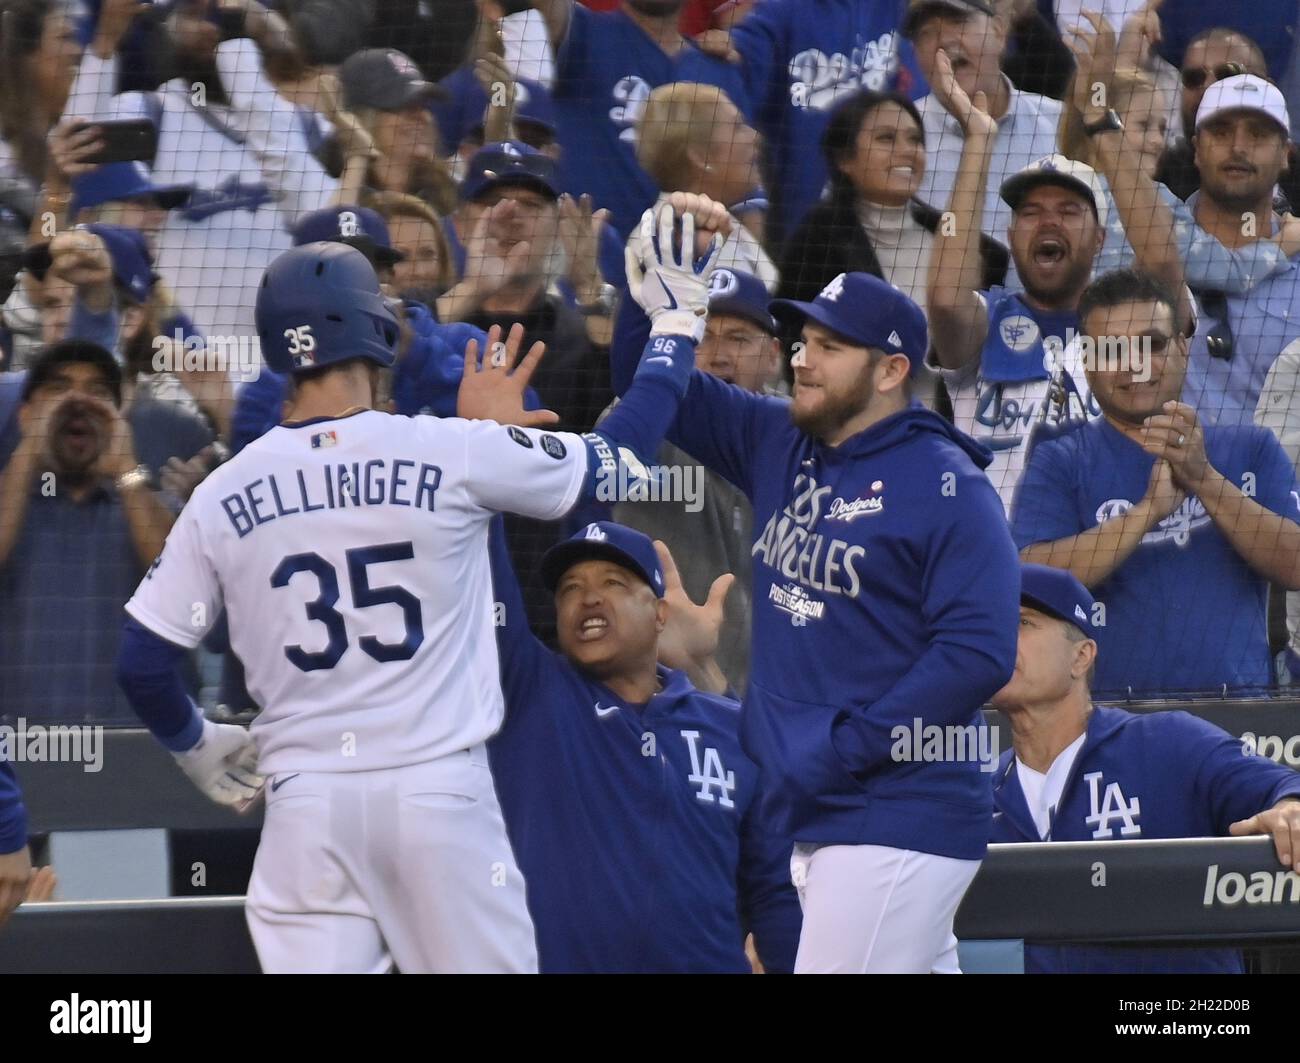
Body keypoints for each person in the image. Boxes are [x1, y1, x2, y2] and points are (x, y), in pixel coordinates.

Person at [115, 201, 732, 973]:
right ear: (371, 329)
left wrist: (196, 745)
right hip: (439, 800)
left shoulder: (222, 493)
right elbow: (621, 460)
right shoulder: (447, 450)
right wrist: (674, 331)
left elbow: (141, 661)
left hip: (306, 812)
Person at [611, 261, 1021, 973]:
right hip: (825, 812)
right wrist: (653, 302)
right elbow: (648, 386)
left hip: (894, 818)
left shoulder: (949, 485)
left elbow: (979, 653)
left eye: (830, 347)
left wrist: (843, 748)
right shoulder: (778, 438)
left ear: (891, 370)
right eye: (802, 342)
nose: (802, 360)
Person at [487, 518, 800, 972]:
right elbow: (483, 567)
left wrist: (699, 664)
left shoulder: (732, 727)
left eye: (613, 582)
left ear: (659, 614)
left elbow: (775, 889)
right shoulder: (528, 692)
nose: (588, 597)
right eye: (569, 588)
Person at [926, 30, 1196, 510]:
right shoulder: (985, 323)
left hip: (1116, 554)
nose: (1048, 219)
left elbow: (1161, 258)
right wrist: (979, 140)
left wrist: (1100, 123)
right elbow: (946, 296)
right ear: (1010, 238)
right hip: (1002, 568)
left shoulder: (1135, 319)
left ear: (1099, 238)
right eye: (1030, 213)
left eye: (1069, 210)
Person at [991, 562, 1300, 973]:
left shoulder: (1167, 742)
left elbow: (1281, 787)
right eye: (988, 623)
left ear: (1081, 657)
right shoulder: (974, 791)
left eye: (1022, 623)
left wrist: (1291, 807)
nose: (994, 638)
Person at [1013, 269, 1300, 697]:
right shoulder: (1061, 459)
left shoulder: (1251, 447)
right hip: (1109, 725)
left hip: (1240, 725)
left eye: (1152, 343)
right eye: (1112, 350)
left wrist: (1204, 478)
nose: (1135, 364)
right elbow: (1030, 582)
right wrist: (1147, 512)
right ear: (1088, 364)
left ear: (1184, 349)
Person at [615, 267, 782, 692]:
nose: (717, 354)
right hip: (662, 695)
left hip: (776, 706)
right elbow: (631, 376)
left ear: (774, 355)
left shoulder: (798, 442)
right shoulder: (644, 431)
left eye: (739, 338)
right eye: (702, 335)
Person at [0, 340, 177, 721]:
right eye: (58, 388)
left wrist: (126, 469)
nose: (76, 402)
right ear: (25, 415)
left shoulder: (149, 506)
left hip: (136, 761)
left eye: (97, 391)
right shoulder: (9, 504)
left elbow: (179, 585)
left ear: (118, 417)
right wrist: (28, 450)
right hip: (16, 761)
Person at [701, 0, 924, 245]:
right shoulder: (780, 13)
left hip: (880, 224)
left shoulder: (889, 7)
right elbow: (723, 104)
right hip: (800, 234)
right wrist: (750, 206)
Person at [528, 0, 750, 238]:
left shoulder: (717, 68)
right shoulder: (584, 34)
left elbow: (749, 201)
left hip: (688, 264)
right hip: (591, 254)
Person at [776, 88, 1008, 316]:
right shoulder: (814, 245)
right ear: (844, 159)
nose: (907, 151)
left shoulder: (970, 246)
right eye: (886, 138)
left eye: (915, 139)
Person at [905, 0, 1063, 287]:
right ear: (915, 55)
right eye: (927, 32)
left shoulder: (1059, 126)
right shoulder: (895, 139)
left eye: (959, 22)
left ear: (1000, 33)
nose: (945, 40)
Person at [633, 81, 774, 287]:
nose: (755, 137)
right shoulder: (684, 245)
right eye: (737, 127)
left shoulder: (709, 224)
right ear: (701, 157)